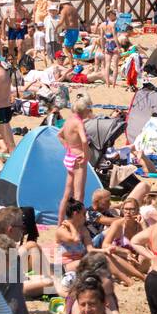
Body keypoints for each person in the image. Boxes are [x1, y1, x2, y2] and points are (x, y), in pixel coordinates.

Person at [56, 92, 92, 224]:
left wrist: (68, 147)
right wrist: (86, 155)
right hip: (78, 160)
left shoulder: (69, 120)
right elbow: (84, 140)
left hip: (70, 157)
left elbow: (59, 135)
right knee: (79, 195)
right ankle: (76, 224)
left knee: (67, 194)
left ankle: (60, 223)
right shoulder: (78, 122)